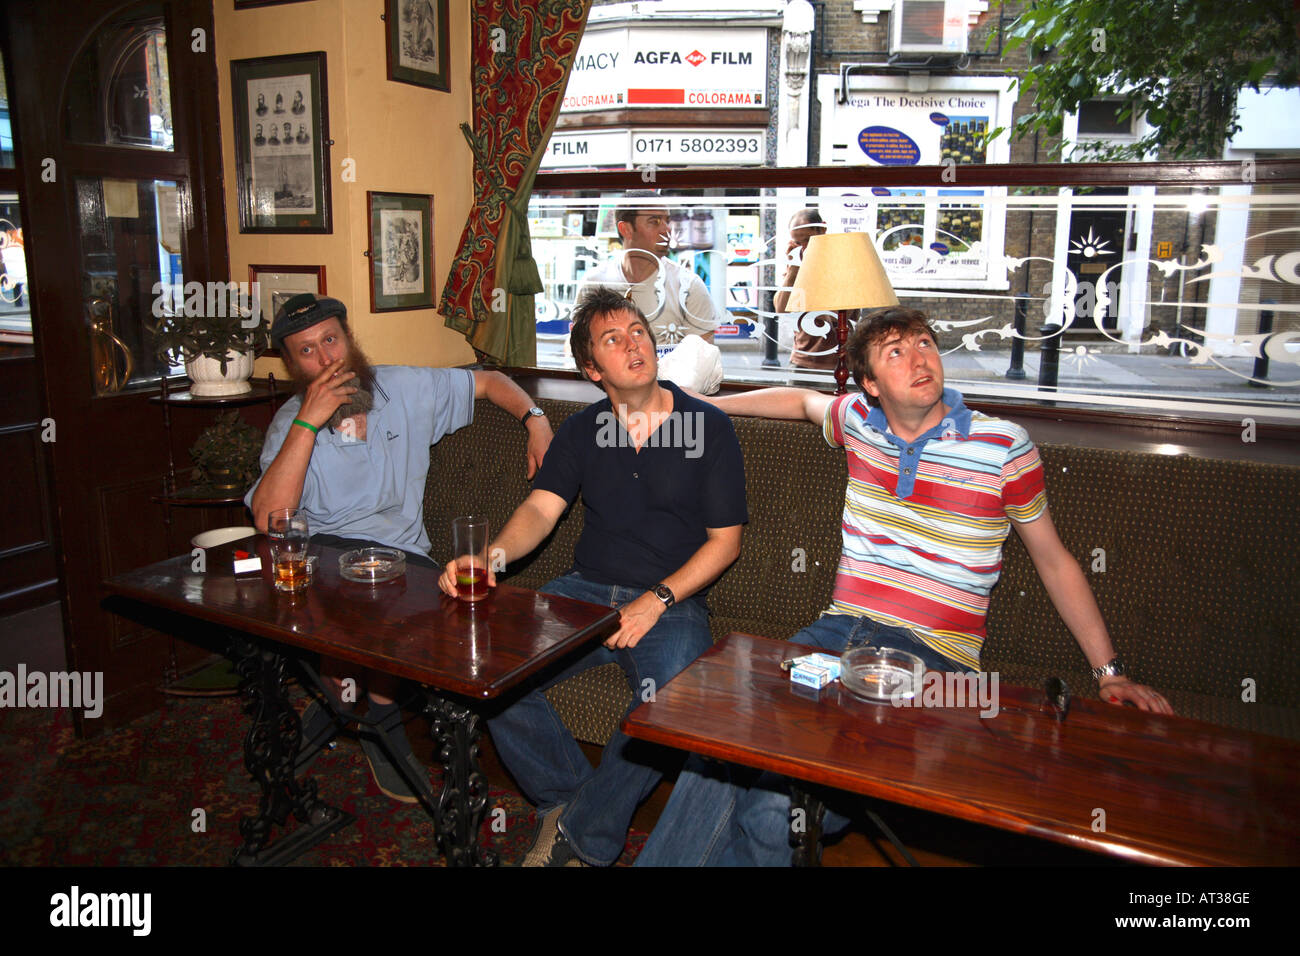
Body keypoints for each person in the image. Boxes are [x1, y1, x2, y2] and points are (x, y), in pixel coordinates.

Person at [635, 306, 1172, 866]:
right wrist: (704, 410)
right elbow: (797, 399)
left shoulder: (1003, 446)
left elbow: (1054, 561)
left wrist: (1110, 674)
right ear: (868, 385)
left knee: (774, 809)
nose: (919, 358)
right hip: (832, 633)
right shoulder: (858, 422)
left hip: (934, 662)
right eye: (896, 352)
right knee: (717, 747)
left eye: (923, 344)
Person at [438, 285, 747, 866]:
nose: (634, 345)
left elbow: (725, 544)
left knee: (672, 706)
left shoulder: (708, 427)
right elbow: (540, 510)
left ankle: (580, 837)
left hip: (672, 602)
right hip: (583, 593)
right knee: (489, 665)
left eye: (639, 333)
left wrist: (656, 599)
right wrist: (492, 558)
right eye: (614, 339)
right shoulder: (582, 429)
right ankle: (570, 802)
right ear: (591, 369)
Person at [246, 292, 554, 802]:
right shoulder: (289, 424)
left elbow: (492, 382)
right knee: (348, 625)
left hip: (401, 560)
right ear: (292, 364)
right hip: (325, 559)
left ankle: (367, 714)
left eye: (331, 340)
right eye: (307, 351)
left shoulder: (404, 387)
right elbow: (268, 521)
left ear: (349, 339)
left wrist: (537, 420)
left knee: (395, 617)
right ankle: (364, 715)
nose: (325, 359)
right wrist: (308, 421)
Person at [575, 190, 721, 351]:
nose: (667, 230)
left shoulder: (689, 286)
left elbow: (704, 360)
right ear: (626, 229)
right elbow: (578, 347)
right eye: (655, 221)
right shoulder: (594, 283)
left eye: (667, 221)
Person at [773, 208, 840, 371]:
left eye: (808, 240)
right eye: (797, 242)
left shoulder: (840, 261)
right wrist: (793, 270)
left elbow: (834, 316)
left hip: (836, 362)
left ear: (823, 229)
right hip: (801, 359)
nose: (803, 247)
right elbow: (781, 308)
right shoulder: (798, 264)